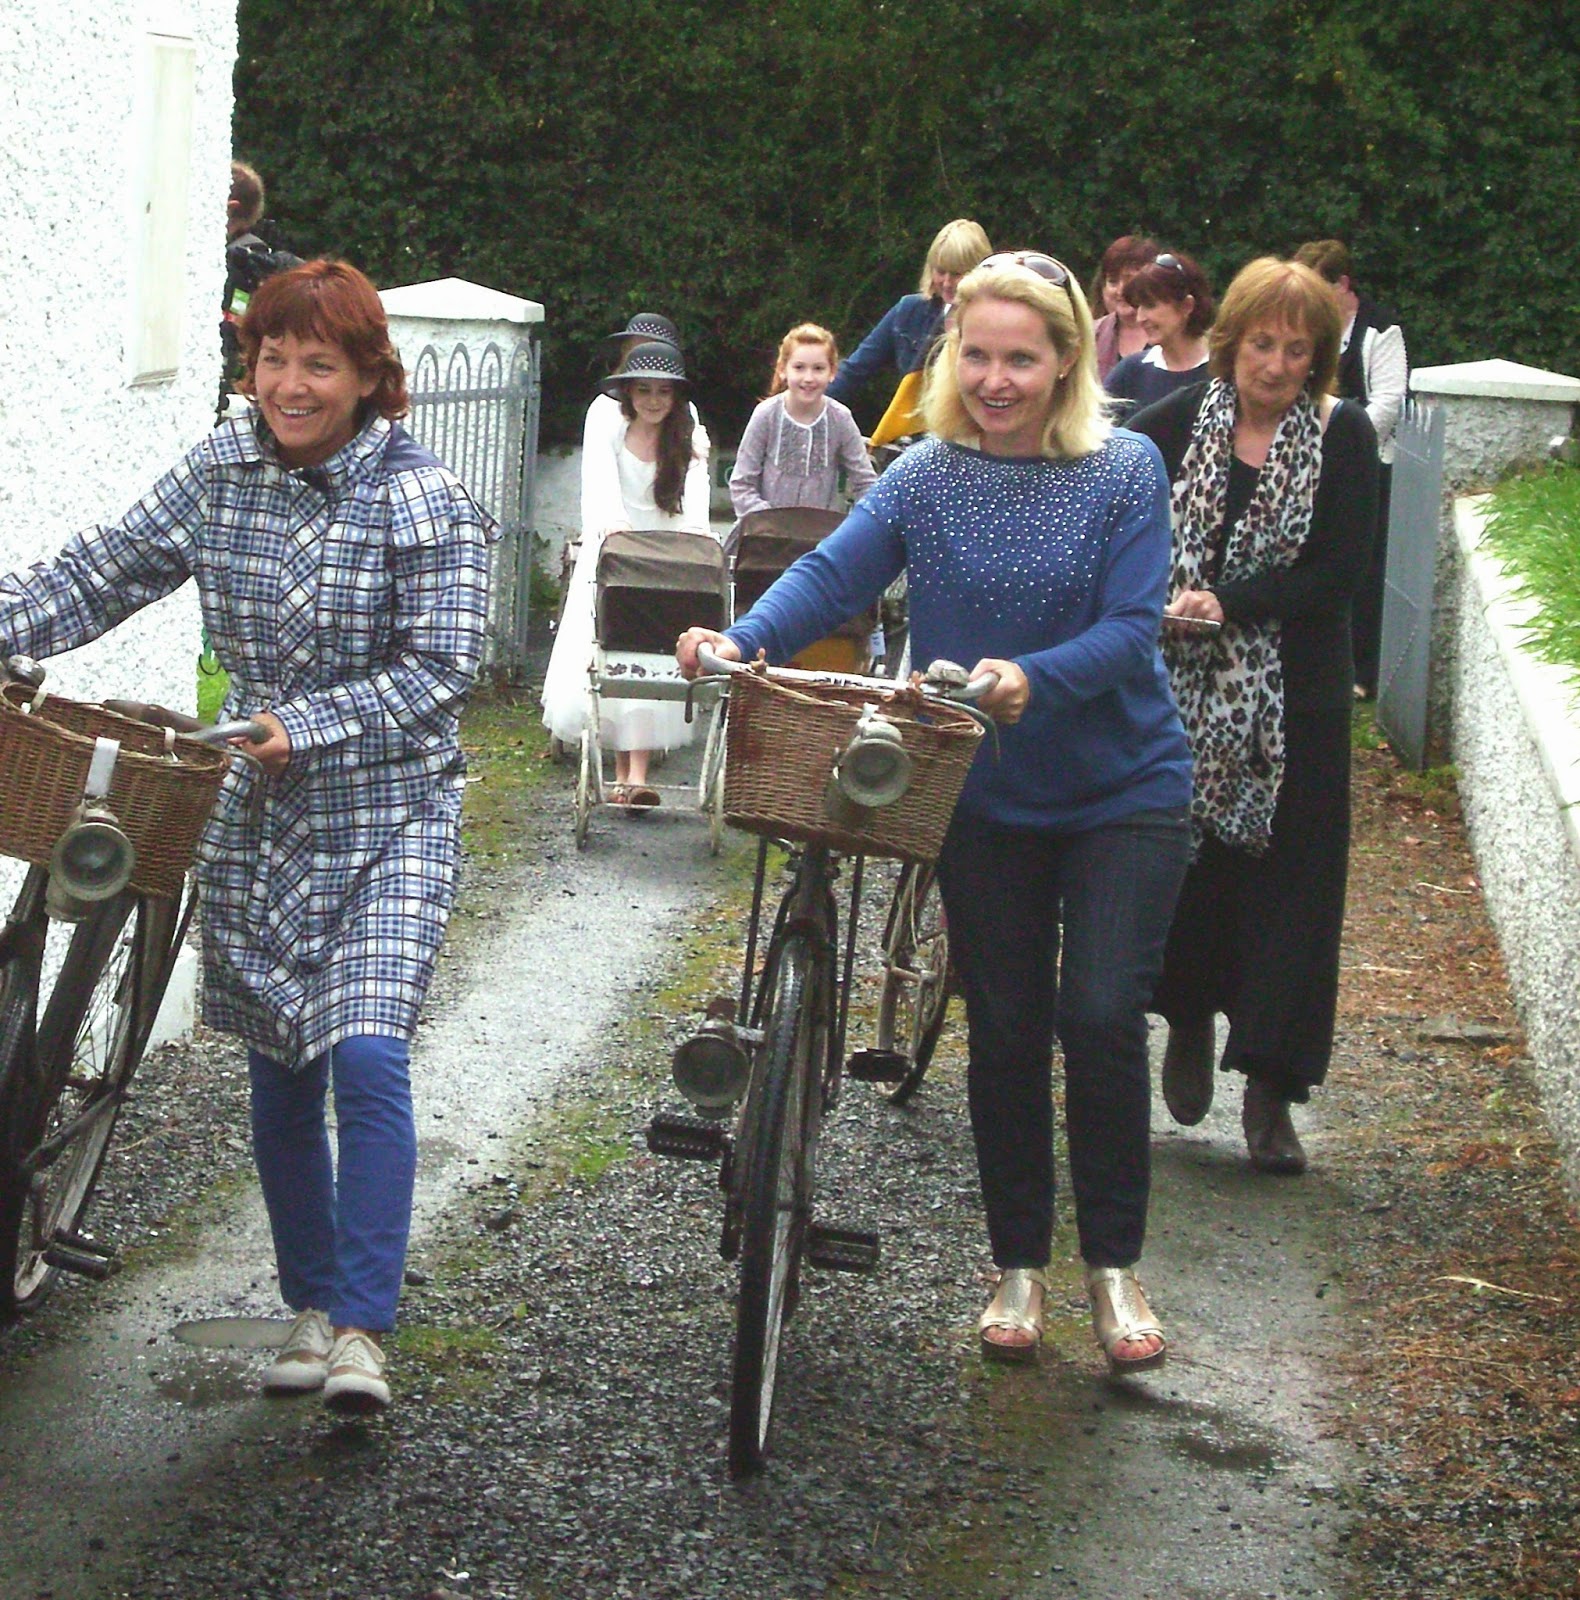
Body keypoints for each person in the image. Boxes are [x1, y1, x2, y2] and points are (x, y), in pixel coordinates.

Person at [678, 250, 1192, 1377]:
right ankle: (1016, 1265)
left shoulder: (1124, 469)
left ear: (1067, 363)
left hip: (1122, 790)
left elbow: (1129, 627)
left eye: (1025, 357)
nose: (999, 378)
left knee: (1099, 1014)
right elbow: (830, 576)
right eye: (980, 354)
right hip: (982, 788)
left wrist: (1025, 678)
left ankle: (1111, 1265)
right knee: (1003, 1025)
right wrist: (739, 638)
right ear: (952, 354)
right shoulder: (922, 473)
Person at [0, 259, 497, 1412]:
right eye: (272, 358)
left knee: (364, 1051)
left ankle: (364, 1327)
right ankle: (311, 1302)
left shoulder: (425, 500)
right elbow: (105, 571)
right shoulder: (222, 468)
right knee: (278, 1067)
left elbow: (441, 672)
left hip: (389, 813)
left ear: (370, 377)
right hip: (259, 811)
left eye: (317, 362)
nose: (288, 382)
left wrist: (307, 723)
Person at [1128, 257, 1378, 1174]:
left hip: (1294, 701)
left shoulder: (1339, 436)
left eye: (1295, 350)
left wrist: (1230, 600)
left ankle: (1271, 1092)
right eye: (1261, 344)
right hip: (1181, 697)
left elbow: (1338, 572)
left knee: (1292, 892)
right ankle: (1187, 1020)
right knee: (1187, 870)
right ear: (1231, 340)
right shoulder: (1166, 427)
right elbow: (1106, 503)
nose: (1274, 365)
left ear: (1318, 357)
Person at [542, 340, 712, 810]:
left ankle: (633, 775)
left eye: (663, 391)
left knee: (652, 653)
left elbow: (695, 500)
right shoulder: (611, 428)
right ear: (628, 392)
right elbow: (600, 485)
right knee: (612, 652)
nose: (654, 401)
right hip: (619, 552)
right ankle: (623, 774)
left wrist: (693, 542)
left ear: (676, 396)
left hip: (667, 552)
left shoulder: (689, 434)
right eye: (644, 390)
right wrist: (614, 534)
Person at [1293, 239, 1409, 698]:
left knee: (1363, 567)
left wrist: (1346, 443)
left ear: (1342, 284)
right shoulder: (1310, 331)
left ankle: (1362, 670)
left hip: (1370, 465)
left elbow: (1389, 400)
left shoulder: (1382, 331)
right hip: (1309, 461)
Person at [826, 218, 992, 433]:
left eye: (958, 273)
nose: (947, 282)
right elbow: (854, 371)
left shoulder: (996, 325)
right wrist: (798, 407)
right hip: (912, 439)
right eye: (941, 271)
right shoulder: (908, 311)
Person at [729, 323, 876, 517]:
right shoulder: (766, 414)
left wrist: (852, 527)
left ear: (832, 372)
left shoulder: (840, 418)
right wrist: (767, 520)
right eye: (799, 368)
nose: (808, 378)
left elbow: (866, 482)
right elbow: (741, 484)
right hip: (765, 534)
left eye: (818, 368)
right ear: (783, 370)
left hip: (822, 539)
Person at [1103, 250, 1214, 421]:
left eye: (1150, 305)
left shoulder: (1223, 372)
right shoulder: (1130, 372)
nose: (1140, 318)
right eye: (1138, 306)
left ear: (1186, 306)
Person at [1089, 234, 1160, 381]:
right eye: (1113, 281)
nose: (1121, 291)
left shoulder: (1171, 333)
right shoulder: (1089, 336)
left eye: (1130, 281)